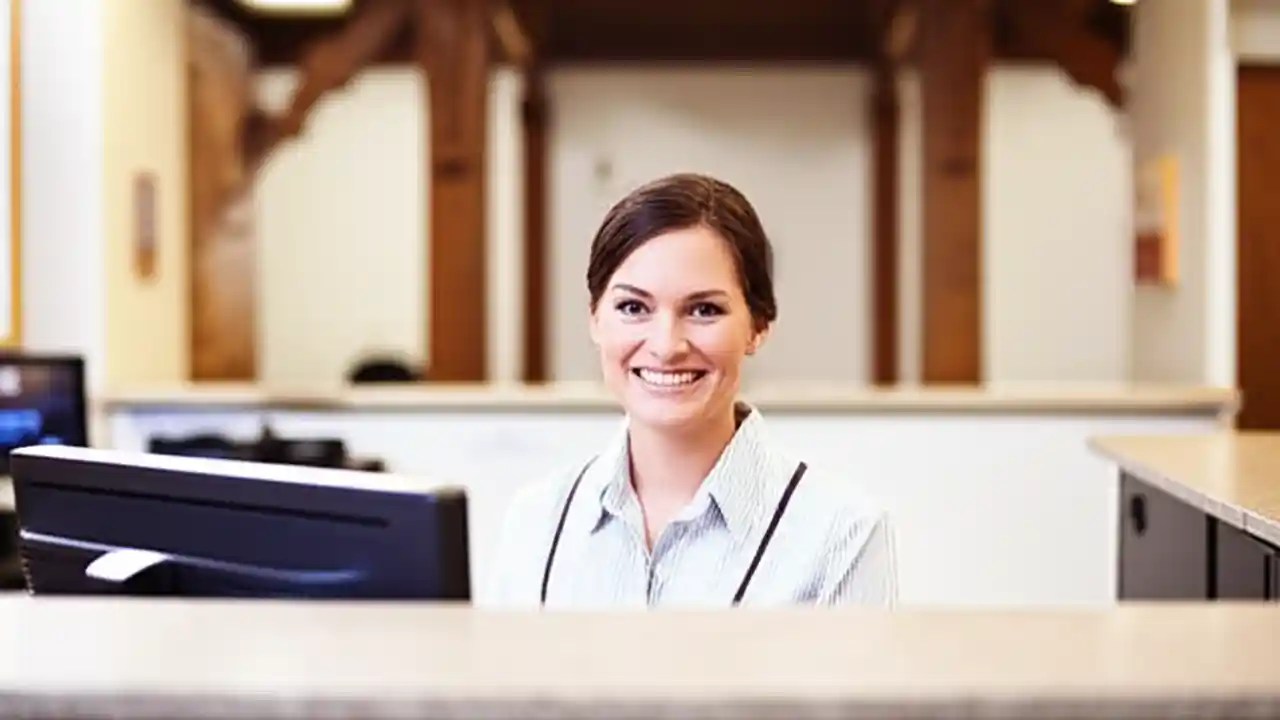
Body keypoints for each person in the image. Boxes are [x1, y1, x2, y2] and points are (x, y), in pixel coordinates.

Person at [486, 173, 896, 608]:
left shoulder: (843, 534)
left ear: (758, 326)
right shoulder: (536, 522)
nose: (666, 346)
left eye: (704, 310)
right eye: (633, 307)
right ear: (594, 319)